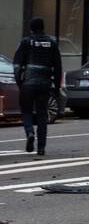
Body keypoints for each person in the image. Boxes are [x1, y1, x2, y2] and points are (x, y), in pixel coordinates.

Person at [13, 17, 63, 157]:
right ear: (43, 27)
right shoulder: (52, 43)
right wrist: (57, 87)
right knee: (42, 114)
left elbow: (17, 65)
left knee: (26, 111)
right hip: (45, 83)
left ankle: (29, 132)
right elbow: (58, 67)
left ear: (31, 28)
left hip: (28, 83)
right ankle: (41, 148)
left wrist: (20, 82)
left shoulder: (26, 42)